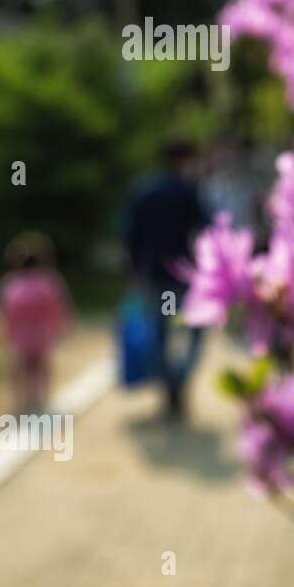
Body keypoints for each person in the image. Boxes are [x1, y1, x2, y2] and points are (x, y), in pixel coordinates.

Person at [125, 139, 209, 419]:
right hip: (183, 276)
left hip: (153, 275)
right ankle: (180, 378)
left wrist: (134, 270)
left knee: (159, 333)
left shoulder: (144, 190)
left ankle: (168, 384)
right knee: (194, 330)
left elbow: (131, 235)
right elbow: (205, 231)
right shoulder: (188, 191)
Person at [0, 232, 72, 414]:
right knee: (41, 367)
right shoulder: (50, 281)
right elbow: (60, 307)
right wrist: (63, 326)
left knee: (21, 368)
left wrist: (2, 331)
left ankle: (22, 402)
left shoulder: (10, 283)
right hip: (43, 332)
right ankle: (40, 400)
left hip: (20, 334)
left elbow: (4, 311)